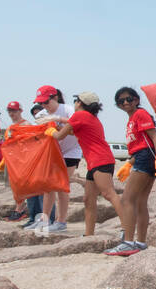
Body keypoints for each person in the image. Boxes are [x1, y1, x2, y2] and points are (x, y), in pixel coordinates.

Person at [46, 92, 132, 240]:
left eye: (76, 100)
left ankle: (127, 229)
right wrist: (57, 127)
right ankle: (89, 233)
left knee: (109, 194)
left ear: (80, 103)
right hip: (96, 161)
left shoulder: (80, 115)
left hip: (100, 160)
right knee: (88, 199)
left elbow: (60, 136)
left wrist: (51, 130)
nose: (75, 103)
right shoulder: (90, 117)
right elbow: (72, 132)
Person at [108, 87, 156, 256]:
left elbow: (154, 136)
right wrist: (129, 164)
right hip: (142, 157)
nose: (125, 103)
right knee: (140, 201)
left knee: (127, 200)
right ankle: (140, 242)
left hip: (146, 158)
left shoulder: (140, 114)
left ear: (136, 100)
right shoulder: (132, 118)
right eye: (121, 101)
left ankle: (128, 242)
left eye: (129, 99)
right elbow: (141, 144)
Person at [30, 86, 81, 233]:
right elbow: (34, 134)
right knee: (48, 187)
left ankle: (61, 221)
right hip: (52, 152)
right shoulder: (42, 114)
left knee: (61, 186)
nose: (44, 106)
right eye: (41, 103)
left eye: (46, 102)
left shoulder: (68, 110)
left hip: (71, 152)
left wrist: (57, 123)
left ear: (55, 98)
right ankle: (44, 220)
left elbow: (76, 129)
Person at [2, 102, 30, 219]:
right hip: (11, 158)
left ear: (20, 111)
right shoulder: (10, 126)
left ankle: (20, 210)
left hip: (21, 159)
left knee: (20, 184)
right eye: (9, 111)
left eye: (14, 111)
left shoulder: (26, 124)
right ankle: (18, 208)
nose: (11, 113)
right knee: (13, 185)